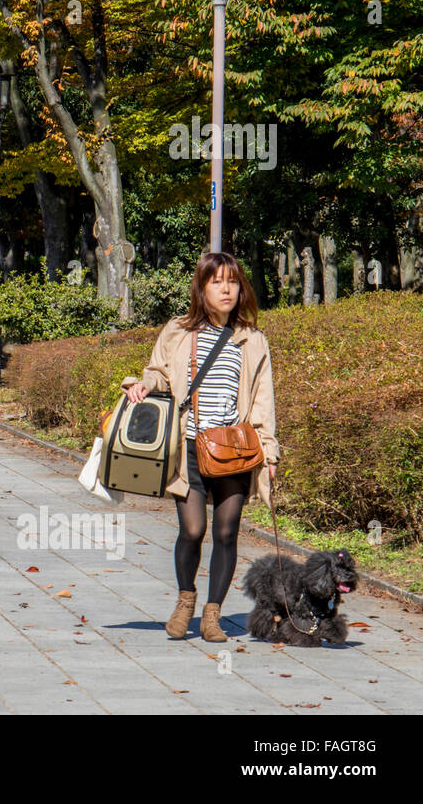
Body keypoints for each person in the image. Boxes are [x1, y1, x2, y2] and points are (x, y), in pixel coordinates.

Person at [121, 251, 279, 643]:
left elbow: (263, 401)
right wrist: (142, 384)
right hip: (189, 445)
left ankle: (213, 615)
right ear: (202, 288)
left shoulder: (253, 340)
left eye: (232, 281)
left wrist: (270, 452)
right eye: (216, 282)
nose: (226, 289)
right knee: (193, 529)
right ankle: (186, 600)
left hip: (235, 449)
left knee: (227, 532)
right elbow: (158, 372)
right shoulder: (179, 331)